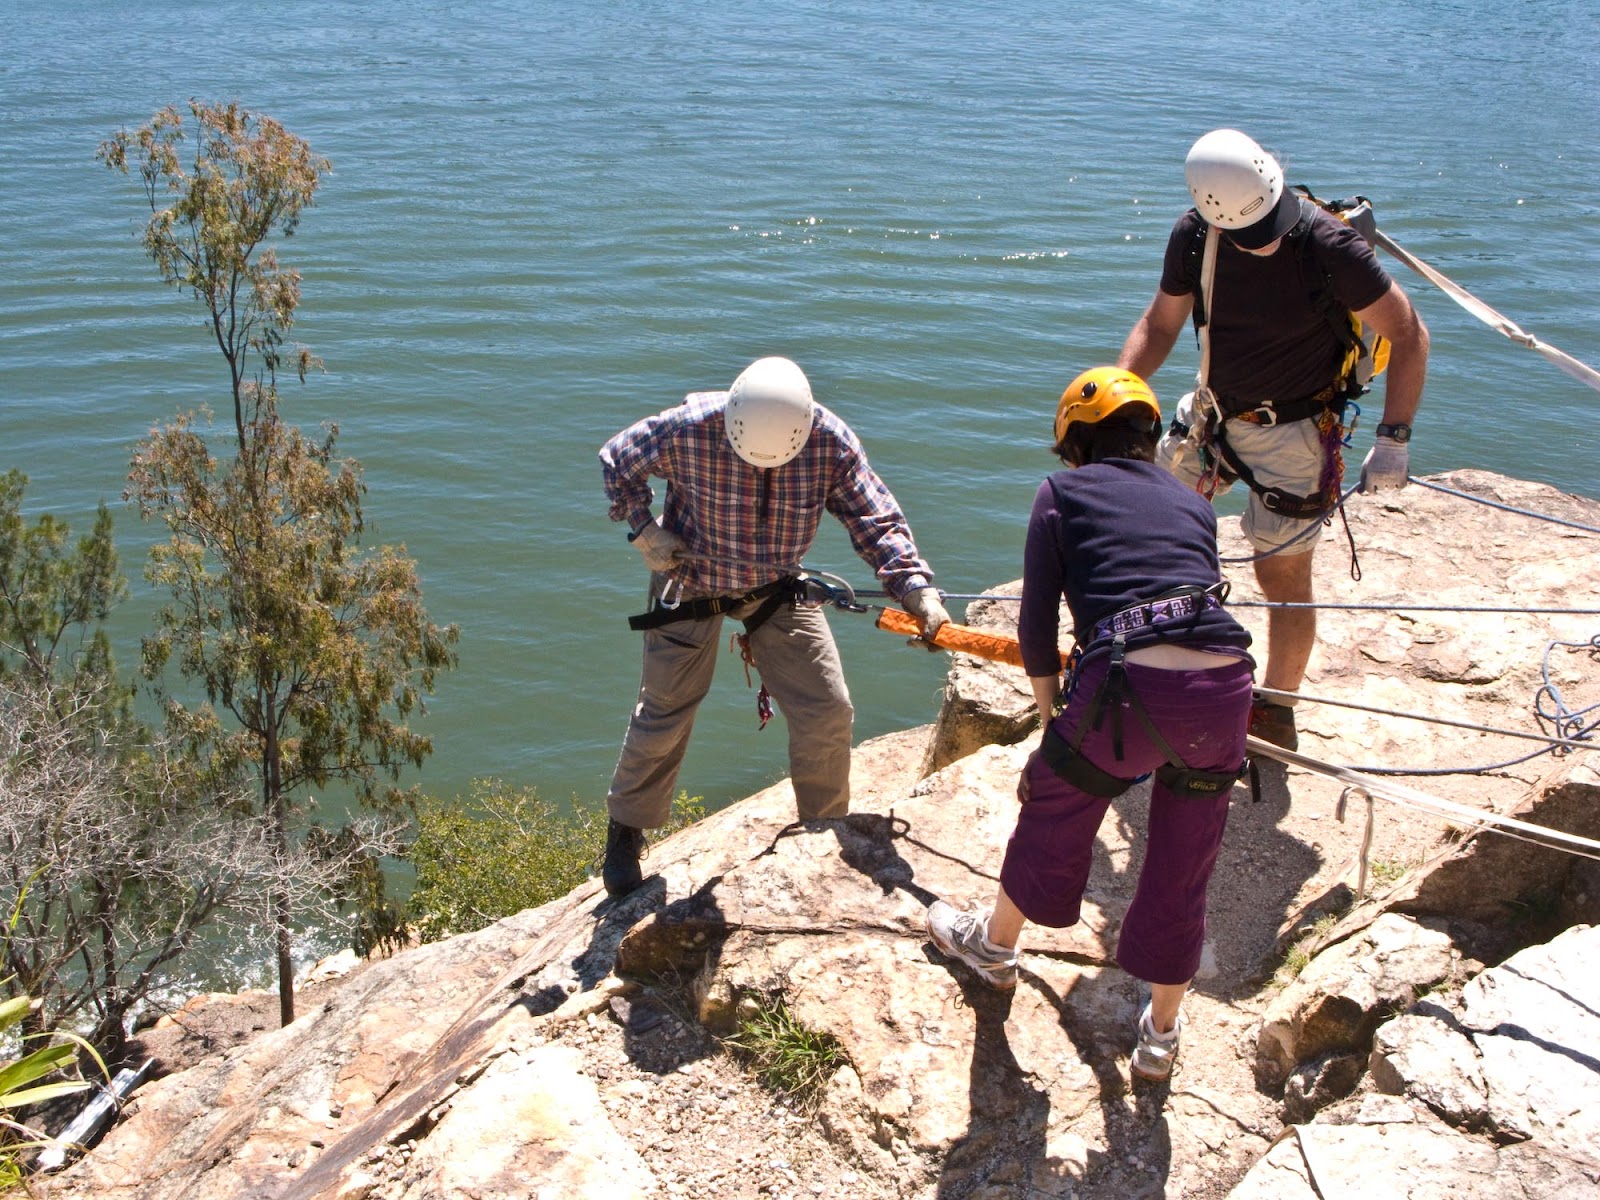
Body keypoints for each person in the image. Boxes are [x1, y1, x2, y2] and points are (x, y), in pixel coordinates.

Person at [925, 367, 1255, 1082]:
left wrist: (1053, 722)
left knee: (1056, 800)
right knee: (1185, 858)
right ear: (1146, 435)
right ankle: (1161, 1035)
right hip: (1224, 689)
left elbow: (1037, 628)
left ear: (1074, 444)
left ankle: (996, 948)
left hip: (1125, 689)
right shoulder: (1193, 501)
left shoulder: (1061, 492)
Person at [1118, 128, 1429, 749]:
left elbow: (1410, 333)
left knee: (1281, 576)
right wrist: (1114, 395)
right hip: (1212, 413)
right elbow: (1160, 324)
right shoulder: (1196, 236)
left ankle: (1277, 707)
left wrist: (1394, 439)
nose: (1259, 246)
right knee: (1147, 533)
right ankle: (1150, 668)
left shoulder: (1327, 244)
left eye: (1266, 231)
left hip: (1298, 432)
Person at [598, 355, 950, 898]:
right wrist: (645, 531)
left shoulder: (829, 442)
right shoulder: (691, 427)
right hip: (691, 579)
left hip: (777, 588)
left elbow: (875, 520)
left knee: (827, 710)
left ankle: (825, 827)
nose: (763, 470)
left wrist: (916, 589)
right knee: (666, 707)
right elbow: (617, 459)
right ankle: (626, 830)